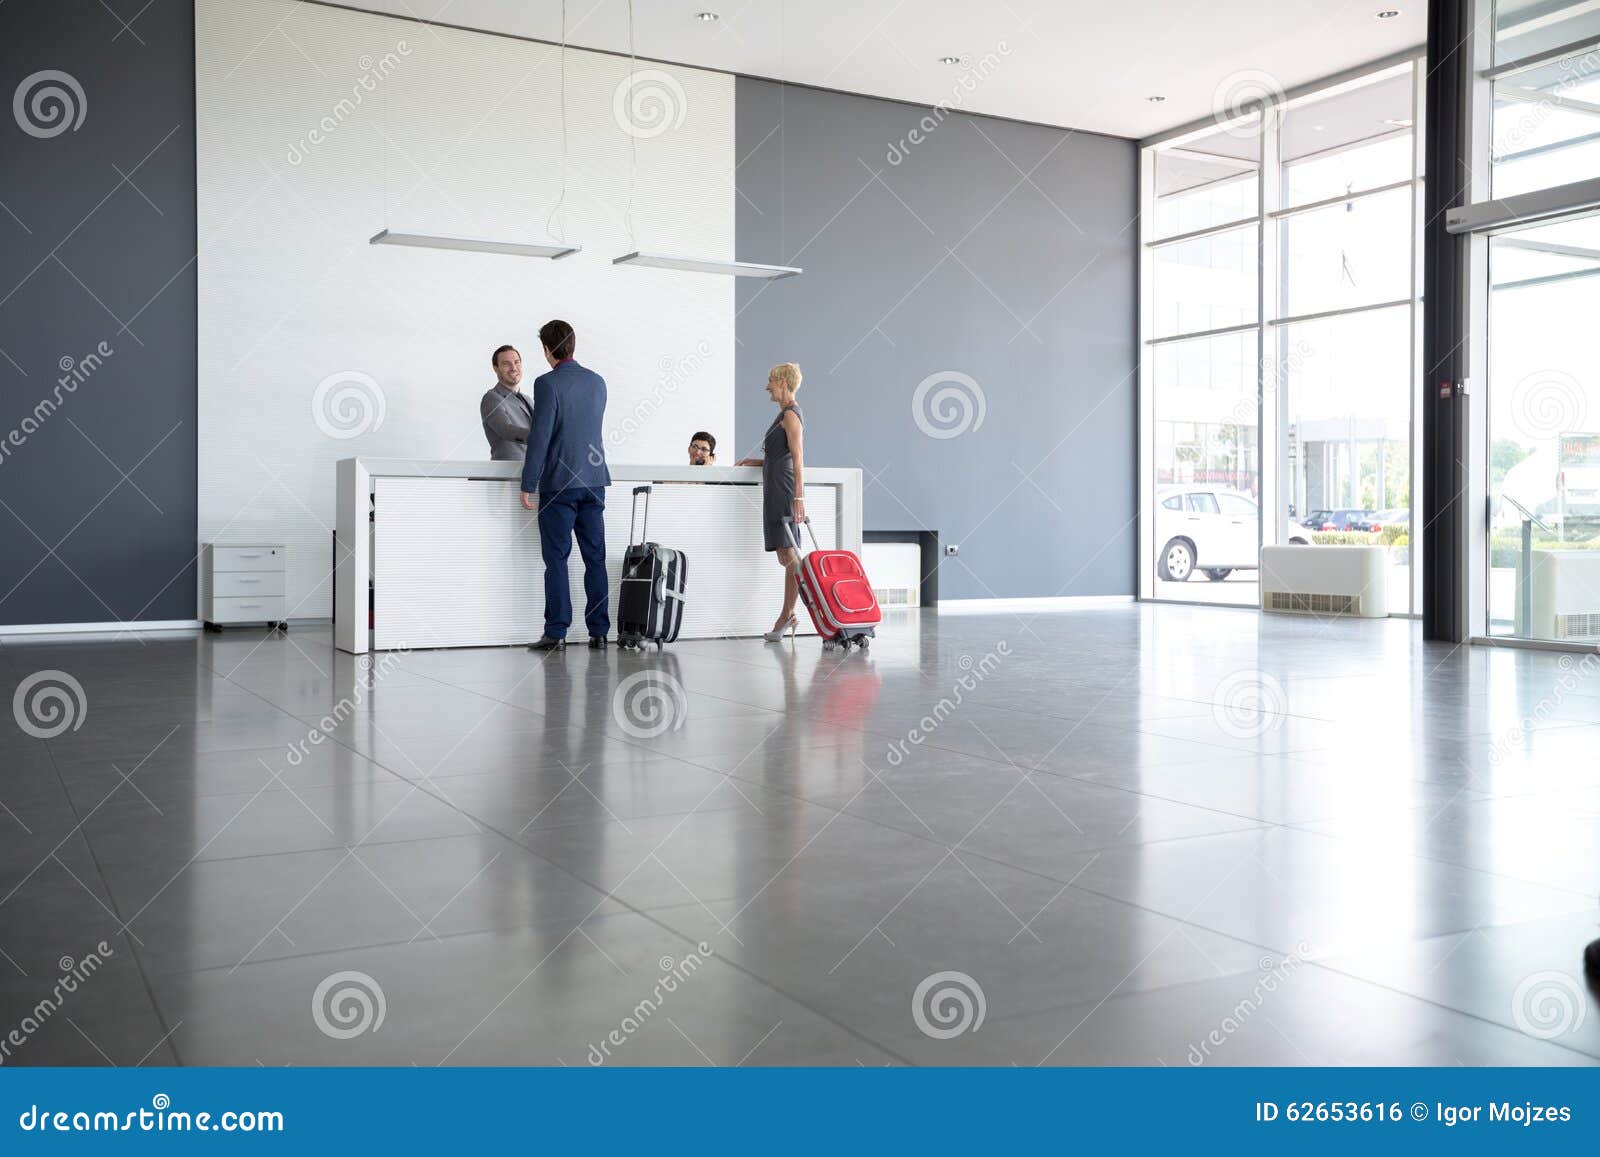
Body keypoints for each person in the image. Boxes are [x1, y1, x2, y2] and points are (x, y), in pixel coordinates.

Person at [520, 320, 612, 651]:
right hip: (594, 481)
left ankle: (556, 632)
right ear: (573, 345)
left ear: (547, 349)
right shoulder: (597, 382)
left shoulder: (547, 383)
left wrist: (528, 482)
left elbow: (540, 436)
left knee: (557, 559)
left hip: (560, 482)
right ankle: (599, 632)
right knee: (595, 557)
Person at [736, 363, 806, 642]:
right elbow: (780, 457)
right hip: (774, 489)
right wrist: (756, 462)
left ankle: (787, 615)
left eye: (770, 382)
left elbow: (798, 458)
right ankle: (788, 614)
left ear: (783, 382)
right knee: (783, 555)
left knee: (790, 556)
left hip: (784, 490)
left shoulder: (791, 415)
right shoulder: (783, 415)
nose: (767, 387)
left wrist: (799, 497)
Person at [480, 345, 532, 460]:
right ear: (495, 368)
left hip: (534, 472)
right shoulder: (492, 398)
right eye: (506, 364)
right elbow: (505, 430)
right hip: (507, 473)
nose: (513, 368)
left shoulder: (528, 400)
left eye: (517, 362)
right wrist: (541, 437)